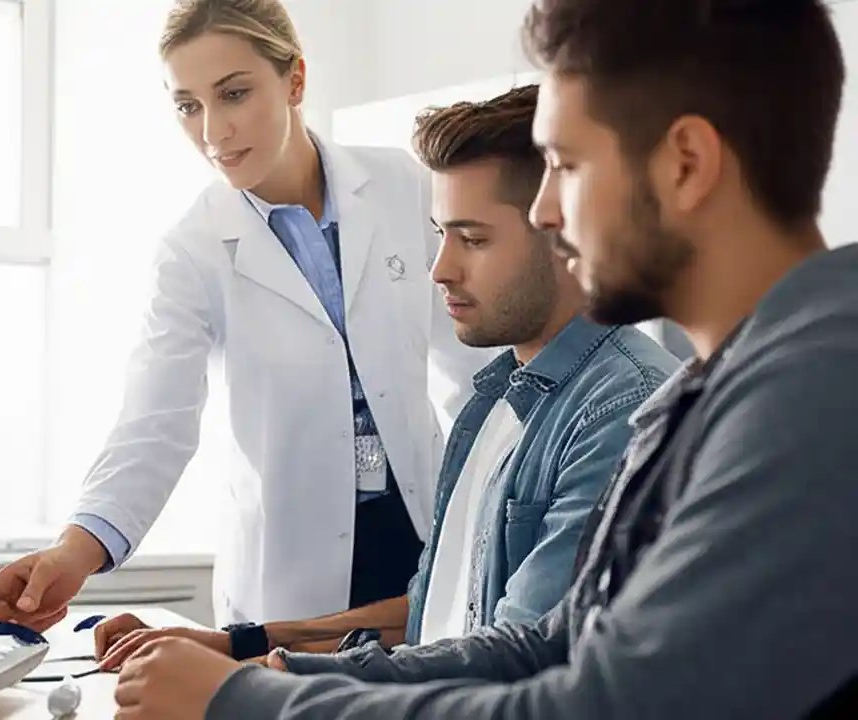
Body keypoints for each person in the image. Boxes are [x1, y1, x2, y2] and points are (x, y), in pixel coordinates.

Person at [109, 0, 858, 717]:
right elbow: (549, 646)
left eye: (565, 166)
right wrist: (266, 665)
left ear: (686, 164)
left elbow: (607, 705)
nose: (545, 214)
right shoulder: (714, 394)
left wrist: (244, 702)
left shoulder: (814, 398)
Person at [92, 85, 677, 670]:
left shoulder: (622, 411)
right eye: (440, 233)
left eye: (472, 239)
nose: (440, 269)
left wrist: (267, 680)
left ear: (562, 228)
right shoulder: (490, 404)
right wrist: (237, 644)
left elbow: (514, 659)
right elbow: (428, 612)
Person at [0, 0, 490, 634]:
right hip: (292, 576)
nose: (213, 130)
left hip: (422, 542)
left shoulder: (403, 185)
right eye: (188, 105)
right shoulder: (194, 249)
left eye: (233, 93)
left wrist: (498, 500)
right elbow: (156, 423)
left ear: (294, 80)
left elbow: (480, 367)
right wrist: (74, 550)